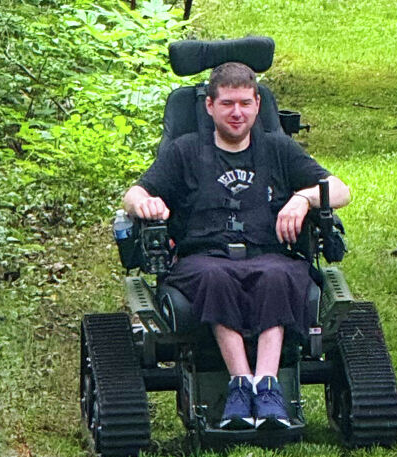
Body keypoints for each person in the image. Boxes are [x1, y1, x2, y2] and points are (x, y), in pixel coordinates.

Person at [121, 61, 351, 430]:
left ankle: (268, 384)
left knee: (277, 275)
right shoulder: (185, 151)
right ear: (209, 106)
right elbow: (133, 193)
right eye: (227, 103)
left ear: (257, 104)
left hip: (270, 254)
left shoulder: (277, 148)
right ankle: (239, 384)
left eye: (245, 103)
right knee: (217, 277)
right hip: (203, 258)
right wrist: (144, 204)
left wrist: (304, 199)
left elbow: (341, 190)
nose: (237, 112)